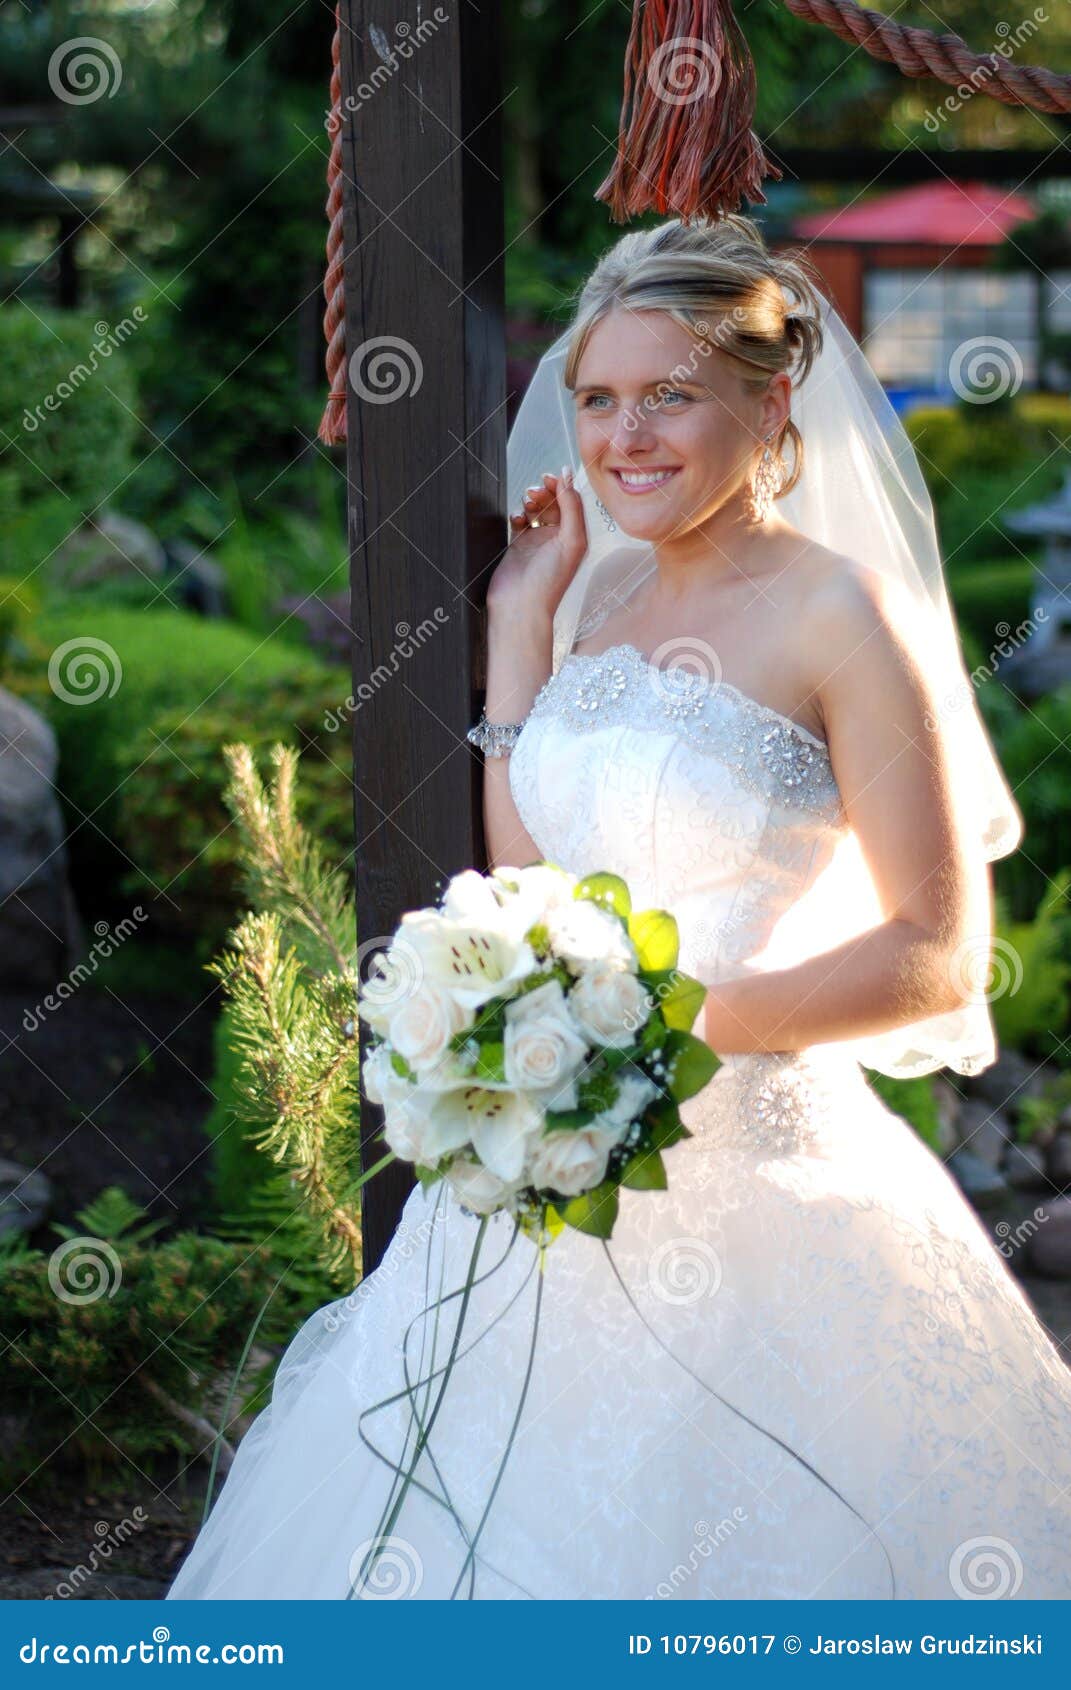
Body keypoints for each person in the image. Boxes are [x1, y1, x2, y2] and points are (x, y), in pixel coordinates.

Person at [167, 215, 1071, 1601]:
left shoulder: (844, 616)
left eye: (670, 396)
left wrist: (648, 1039)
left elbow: (938, 957)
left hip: (763, 1195)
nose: (623, 437)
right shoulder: (596, 599)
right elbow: (536, 887)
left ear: (770, 401)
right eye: (597, 398)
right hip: (533, 1184)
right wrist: (520, 630)